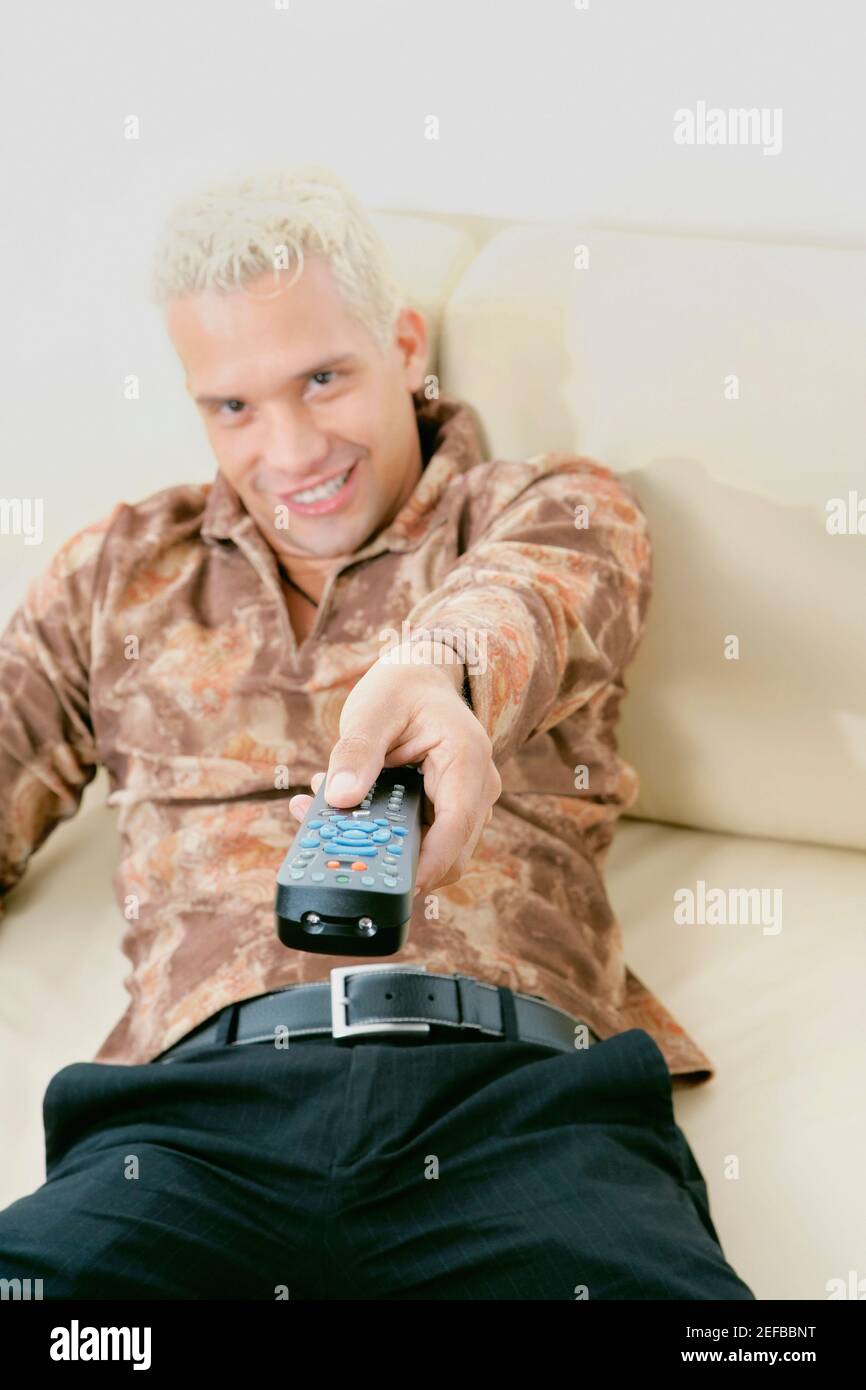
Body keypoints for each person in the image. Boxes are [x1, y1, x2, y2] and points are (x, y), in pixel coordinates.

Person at [0, 164, 755, 1300]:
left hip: (515, 1103)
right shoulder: (115, 576)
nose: (291, 450)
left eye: (323, 377)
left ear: (405, 345)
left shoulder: (545, 506)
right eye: (233, 406)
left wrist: (433, 667)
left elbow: (534, 596)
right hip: (187, 1126)